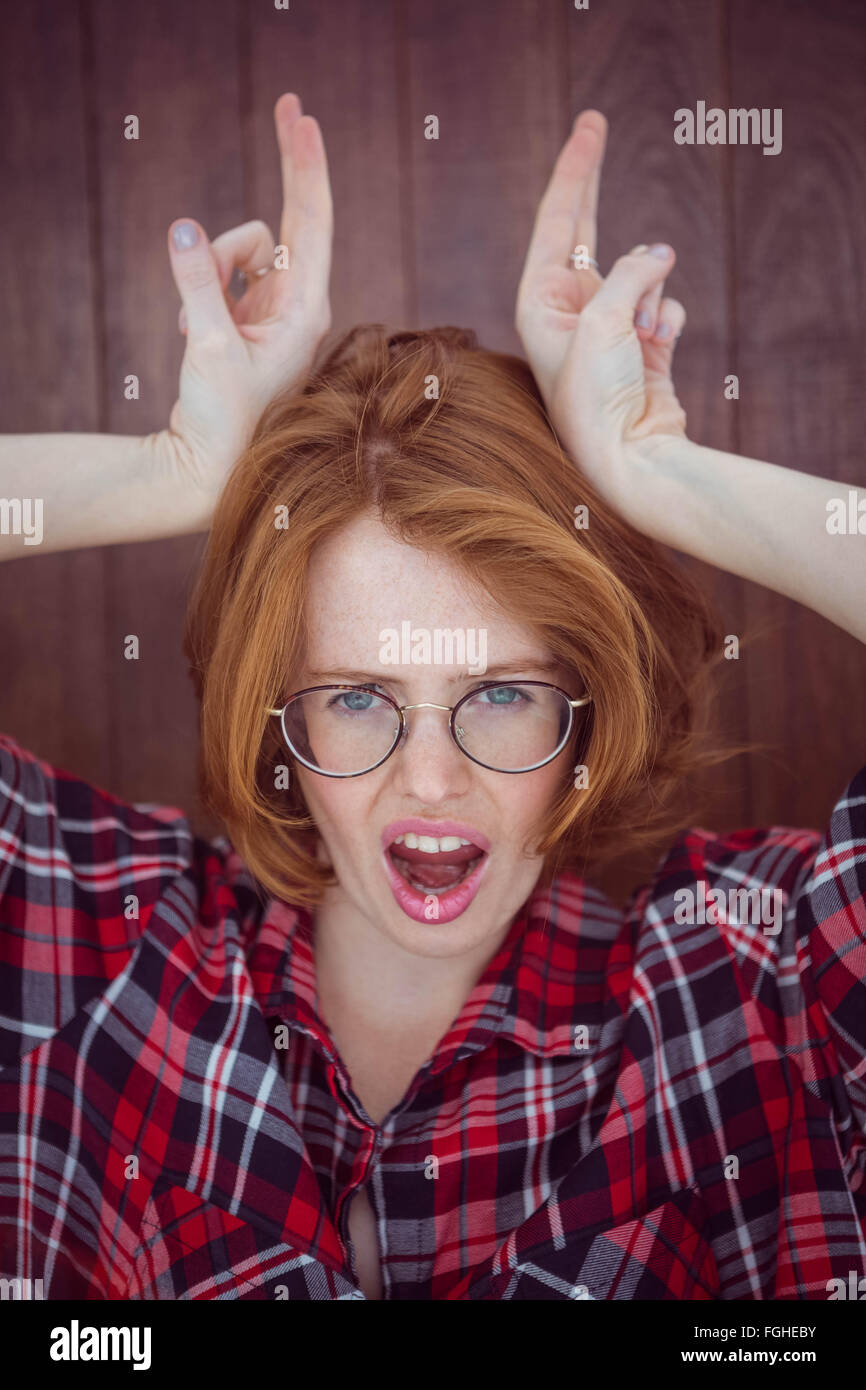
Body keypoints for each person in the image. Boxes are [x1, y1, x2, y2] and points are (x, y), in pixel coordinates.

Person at [0, 93, 863, 1302]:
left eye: (500, 692)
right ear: (278, 720)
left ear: (584, 715)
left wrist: (654, 471)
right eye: (356, 698)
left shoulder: (746, 991)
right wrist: (169, 472)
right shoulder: (95, 949)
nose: (429, 779)